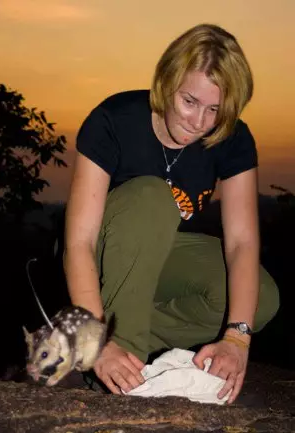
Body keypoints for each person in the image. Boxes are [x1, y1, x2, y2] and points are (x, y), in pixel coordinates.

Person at [63, 23, 280, 404]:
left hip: (159, 256)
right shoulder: (114, 120)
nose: (199, 123)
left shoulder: (231, 137)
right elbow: (78, 242)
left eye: (215, 110)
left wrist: (236, 339)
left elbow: (242, 243)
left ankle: (127, 337)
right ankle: (117, 367)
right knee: (153, 196)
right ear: (167, 81)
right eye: (189, 102)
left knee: (261, 297)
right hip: (104, 253)